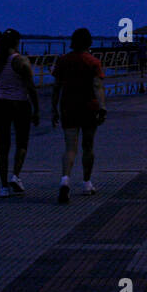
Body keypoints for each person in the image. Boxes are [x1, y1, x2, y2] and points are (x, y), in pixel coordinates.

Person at [52, 27, 105, 203]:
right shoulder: (93, 62)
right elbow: (97, 86)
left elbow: (57, 86)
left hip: (68, 107)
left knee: (70, 147)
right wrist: (102, 107)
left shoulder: (62, 61)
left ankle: (65, 180)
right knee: (88, 146)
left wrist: (53, 108)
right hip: (89, 107)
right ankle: (86, 183)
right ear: (89, 43)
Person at [0, 29, 39, 197]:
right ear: (17, 42)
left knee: (2, 146)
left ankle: (3, 186)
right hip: (19, 104)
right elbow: (31, 87)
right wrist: (37, 109)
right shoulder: (21, 61)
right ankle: (16, 176)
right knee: (22, 143)